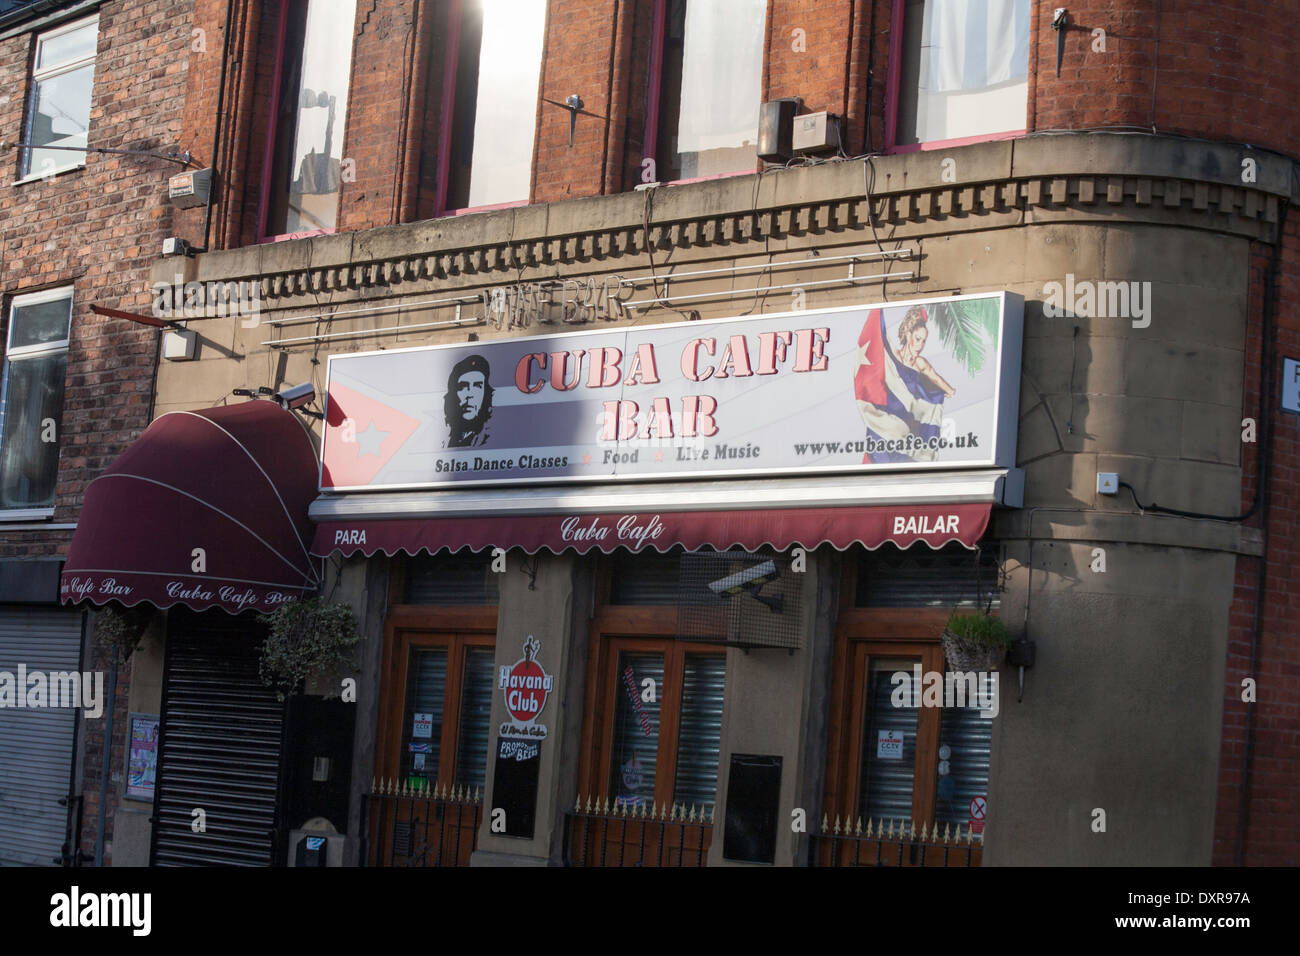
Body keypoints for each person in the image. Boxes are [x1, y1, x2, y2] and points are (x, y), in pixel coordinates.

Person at [895, 306, 956, 398]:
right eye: (918, 339)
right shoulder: (894, 356)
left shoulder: (920, 363)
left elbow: (936, 379)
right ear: (908, 335)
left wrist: (951, 391)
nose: (920, 345)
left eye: (923, 341)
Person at [444, 354, 493, 447]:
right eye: (463, 387)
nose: (469, 394)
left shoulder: (491, 439)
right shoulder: (444, 441)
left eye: (477, 386)